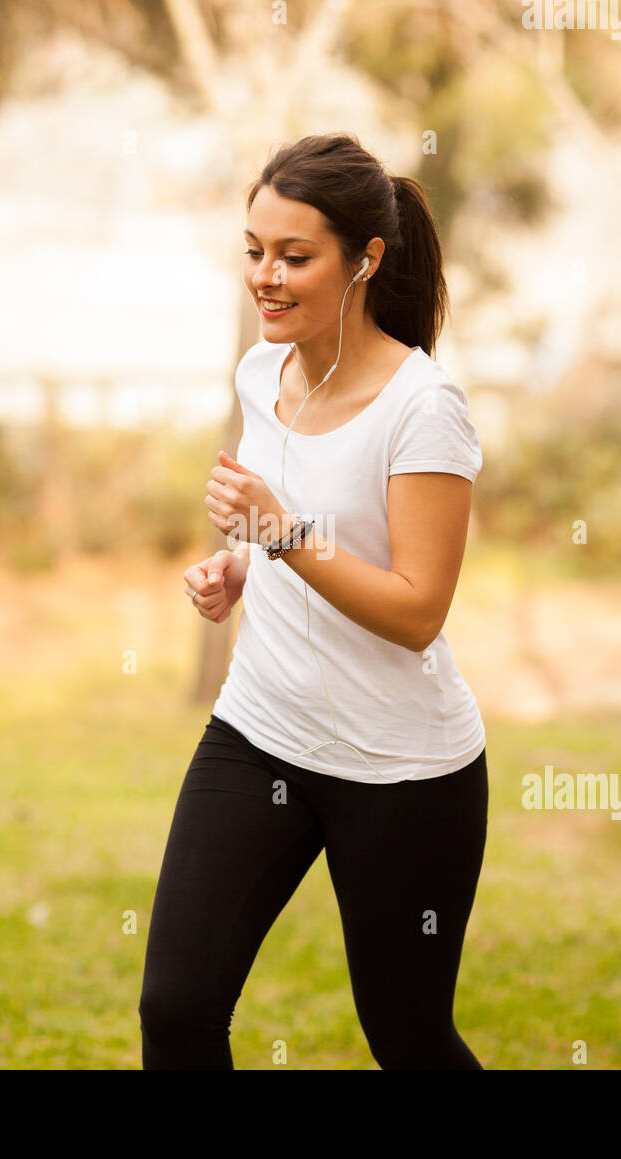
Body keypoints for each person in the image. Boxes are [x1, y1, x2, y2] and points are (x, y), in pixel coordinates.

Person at [139, 132, 488, 1069]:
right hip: (260, 729)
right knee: (176, 1006)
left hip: (401, 768)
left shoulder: (425, 408)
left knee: (407, 1035)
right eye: (254, 250)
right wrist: (237, 566)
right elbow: (287, 531)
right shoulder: (266, 370)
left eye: (295, 257)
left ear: (366, 259)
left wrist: (279, 531)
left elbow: (417, 608)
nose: (267, 276)